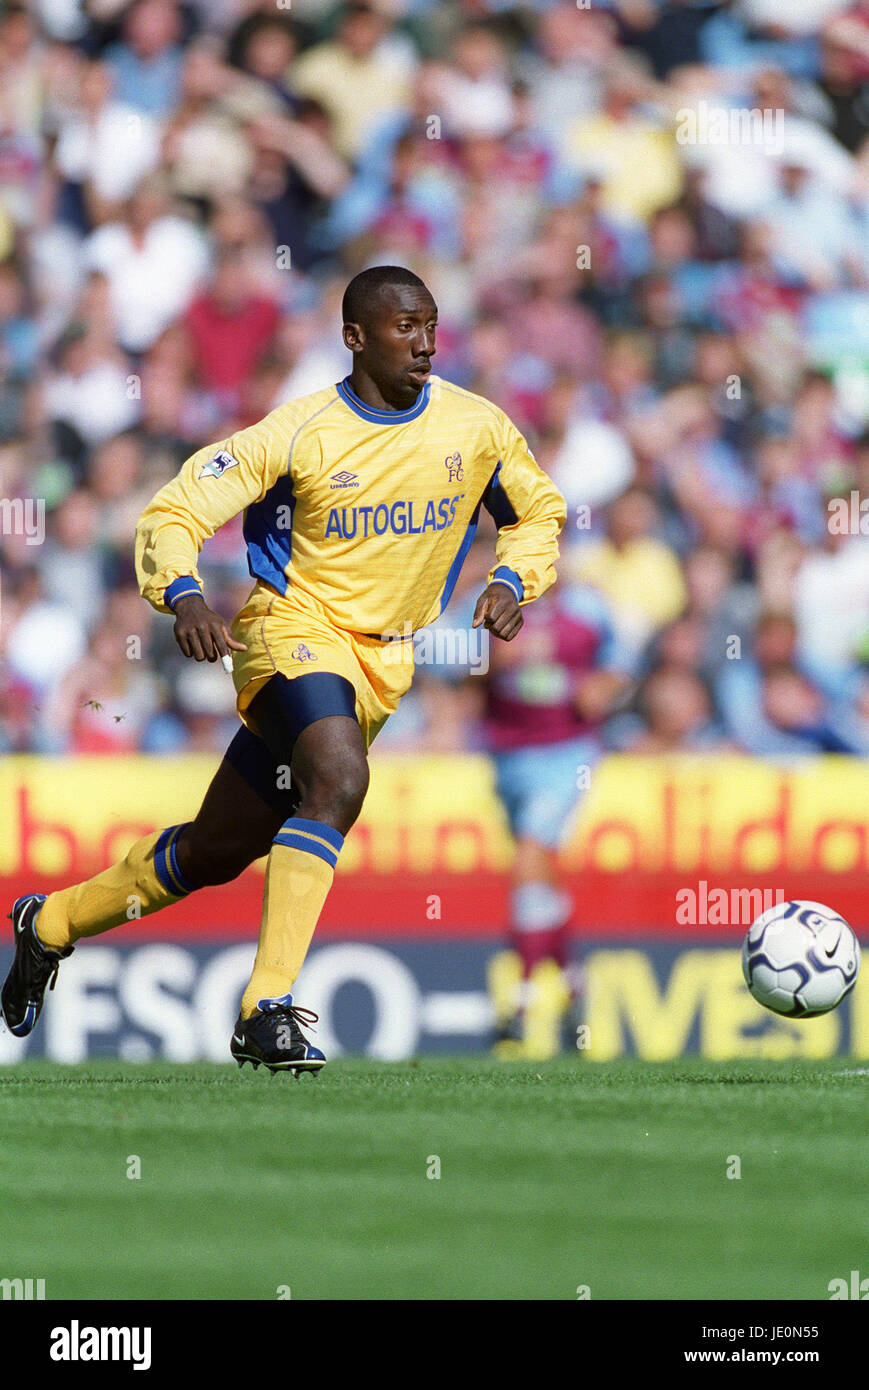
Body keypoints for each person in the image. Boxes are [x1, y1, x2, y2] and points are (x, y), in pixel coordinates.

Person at [2, 266, 566, 1075]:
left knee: (214, 851)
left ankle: (48, 924)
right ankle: (265, 1009)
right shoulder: (298, 432)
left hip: (381, 662)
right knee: (337, 778)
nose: (425, 341)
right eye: (404, 326)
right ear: (354, 337)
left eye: (431, 325)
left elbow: (539, 511)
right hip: (288, 629)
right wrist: (186, 594)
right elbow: (176, 509)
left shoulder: (475, 428)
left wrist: (515, 578)